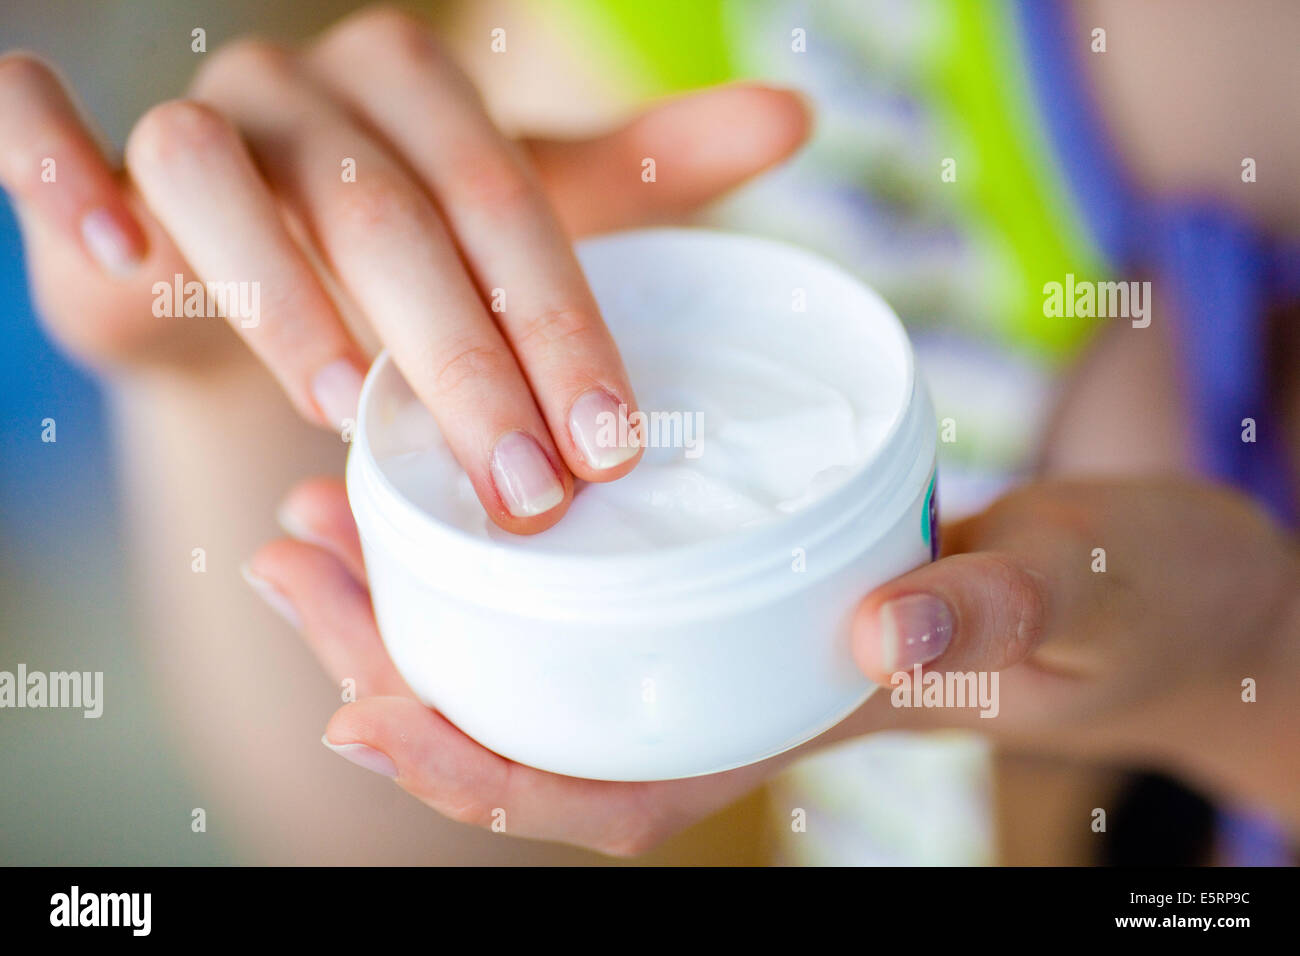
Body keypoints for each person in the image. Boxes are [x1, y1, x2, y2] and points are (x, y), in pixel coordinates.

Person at [1, 1, 1295, 861]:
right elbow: (392, 844)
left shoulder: (1222, 76)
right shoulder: (585, 42)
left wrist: (1246, 671)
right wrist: (220, 366)